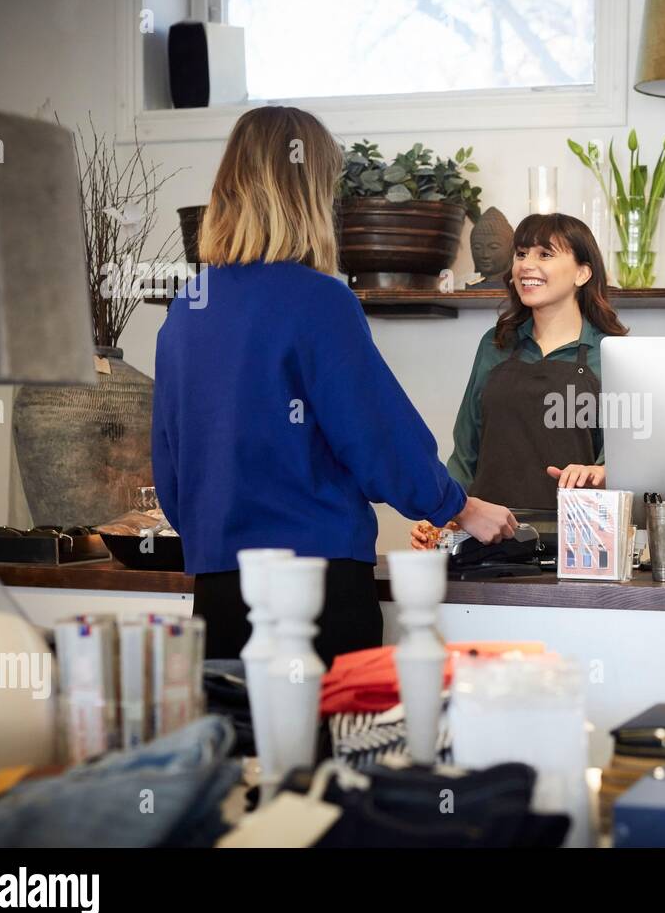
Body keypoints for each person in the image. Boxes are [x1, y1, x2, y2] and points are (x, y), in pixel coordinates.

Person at [152, 106, 516, 663]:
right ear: (308, 193)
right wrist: (458, 507)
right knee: (330, 749)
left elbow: (172, 467)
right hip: (318, 591)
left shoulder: (187, 307)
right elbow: (376, 438)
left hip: (220, 594)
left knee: (235, 747)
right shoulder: (320, 300)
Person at [410, 213, 628, 549]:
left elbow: (630, 457)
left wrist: (602, 471)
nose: (526, 265)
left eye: (545, 254)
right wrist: (441, 515)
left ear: (583, 273)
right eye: (521, 254)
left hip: (579, 541)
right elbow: (466, 449)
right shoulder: (495, 344)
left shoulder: (610, 353)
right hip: (488, 540)